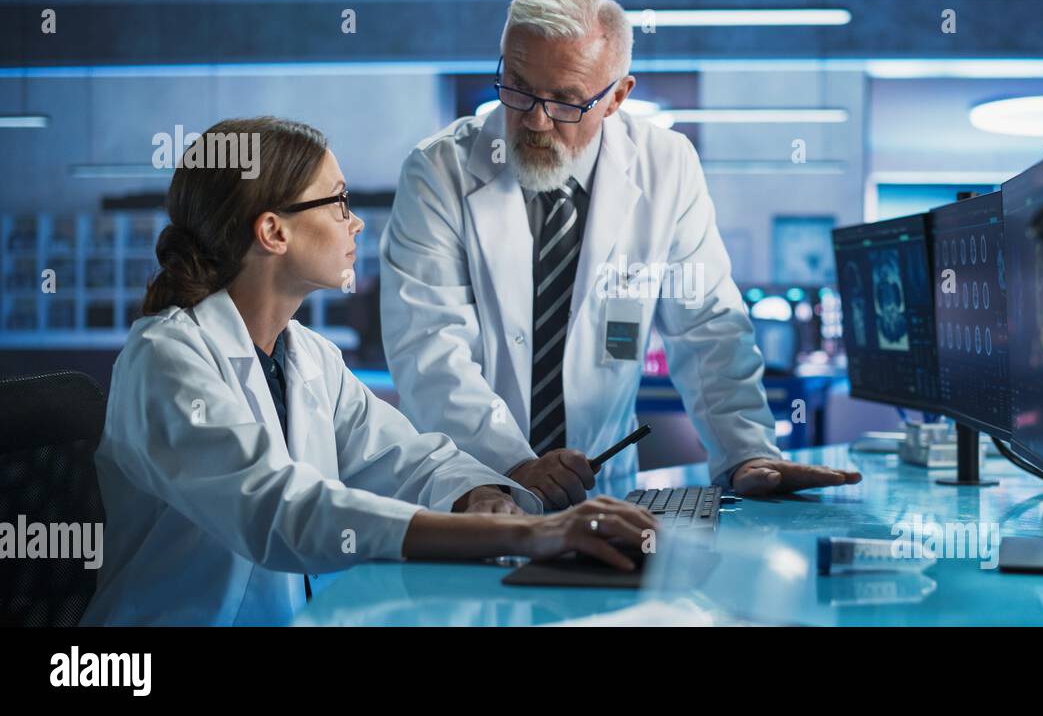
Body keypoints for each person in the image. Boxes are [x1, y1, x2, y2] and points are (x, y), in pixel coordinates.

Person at [81, 116, 656, 626]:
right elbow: (279, 510)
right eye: (337, 203)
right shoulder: (167, 358)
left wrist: (478, 495)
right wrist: (530, 533)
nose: (354, 224)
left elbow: (406, 459)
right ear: (273, 231)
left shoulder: (307, 356)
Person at [380, 0, 861, 508]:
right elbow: (429, 349)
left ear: (617, 98)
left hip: (601, 495)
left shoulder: (666, 166)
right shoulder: (439, 171)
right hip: (473, 487)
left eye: (565, 102)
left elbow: (708, 327)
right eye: (517, 89)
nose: (535, 122)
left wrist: (747, 453)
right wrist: (513, 463)